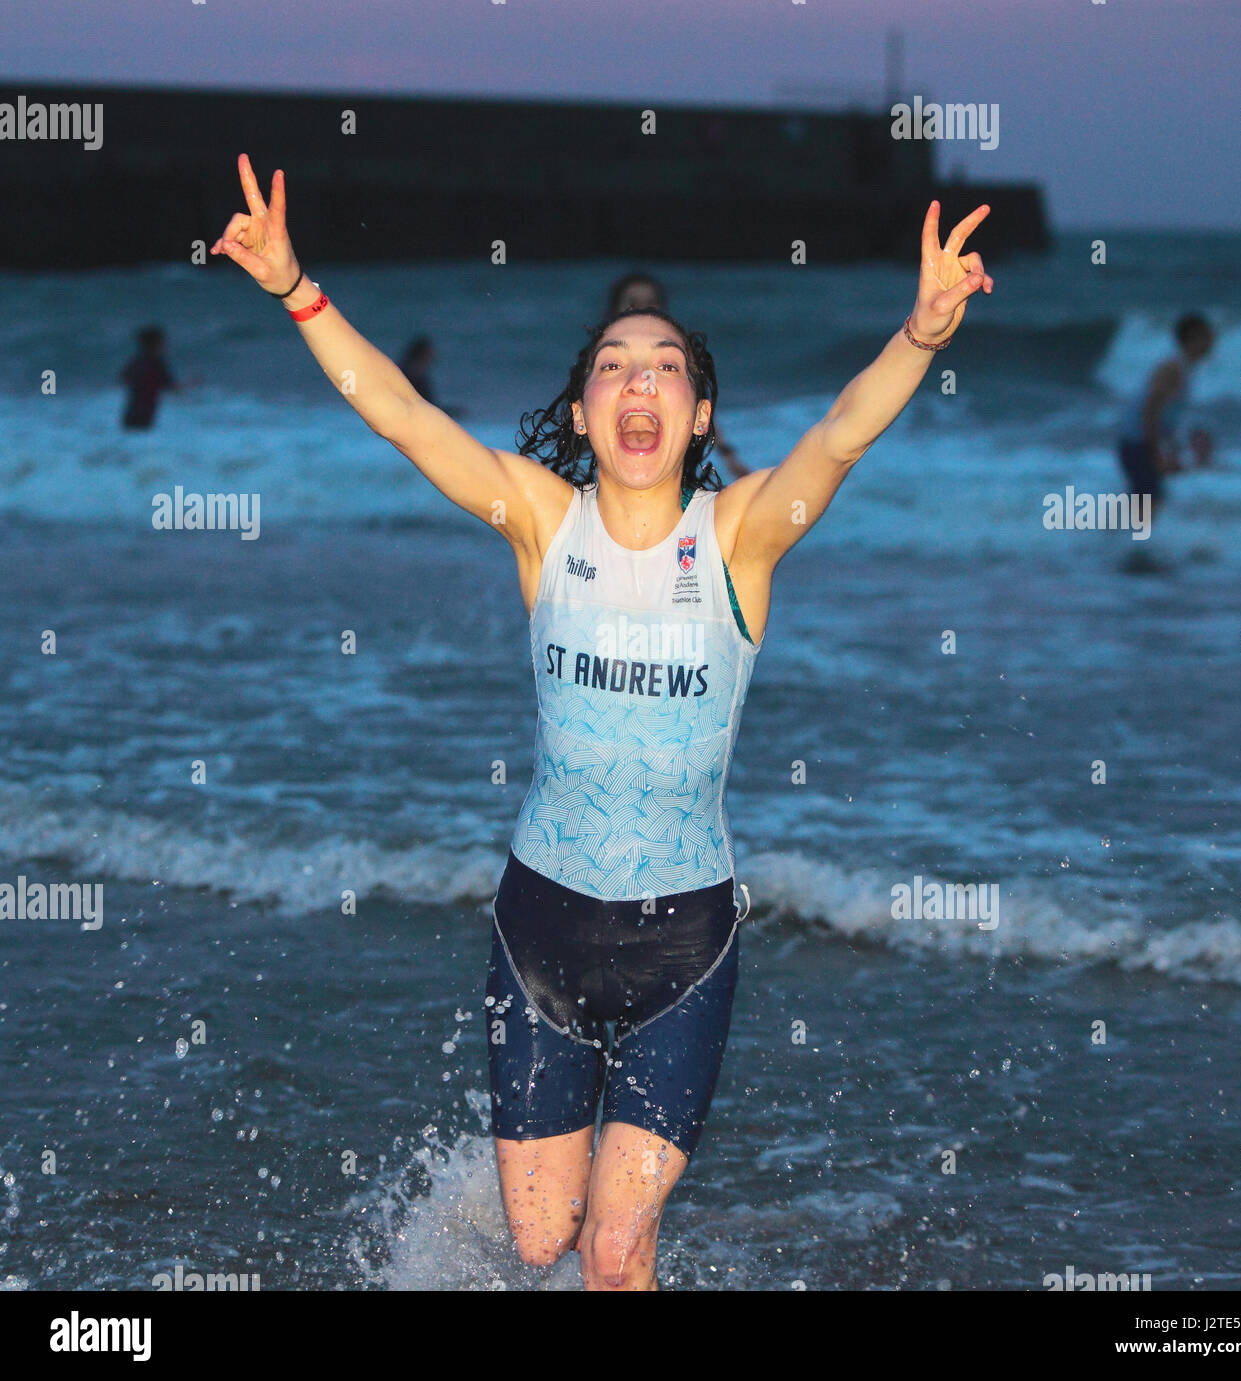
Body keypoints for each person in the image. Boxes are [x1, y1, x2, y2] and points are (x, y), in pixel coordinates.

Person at [213, 156, 993, 1290]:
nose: (640, 383)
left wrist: (921, 335)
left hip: (683, 942)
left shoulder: (739, 538)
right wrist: (298, 291)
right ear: (585, 408)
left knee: (614, 1249)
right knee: (544, 1241)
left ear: (699, 412)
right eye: (614, 367)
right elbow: (403, 416)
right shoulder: (541, 520)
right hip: (539, 932)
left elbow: (838, 438)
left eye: (665, 368)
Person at [605, 273, 751, 478]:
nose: (642, 309)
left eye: (651, 303)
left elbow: (702, 411)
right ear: (613, 310)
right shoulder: (600, 365)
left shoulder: (675, 360)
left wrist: (730, 459)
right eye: (632, 303)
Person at [1117, 313, 1215, 522]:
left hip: (1141, 442)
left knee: (1147, 501)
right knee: (1149, 502)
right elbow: (1150, 409)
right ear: (1193, 338)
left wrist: (1169, 448)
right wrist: (1155, 451)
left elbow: (1165, 417)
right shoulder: (1172, 369)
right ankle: (1128, 549)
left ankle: (1121, 547)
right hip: (1137, 442)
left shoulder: (1185, 369)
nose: (1212, 342)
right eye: (1208, 336)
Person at [120, 326, 178, 430]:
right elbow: (170, 386)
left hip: (132, 411)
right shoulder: (157, 363)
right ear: (156, 344)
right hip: (146, 411)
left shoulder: (137, 361)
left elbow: (124, 378)